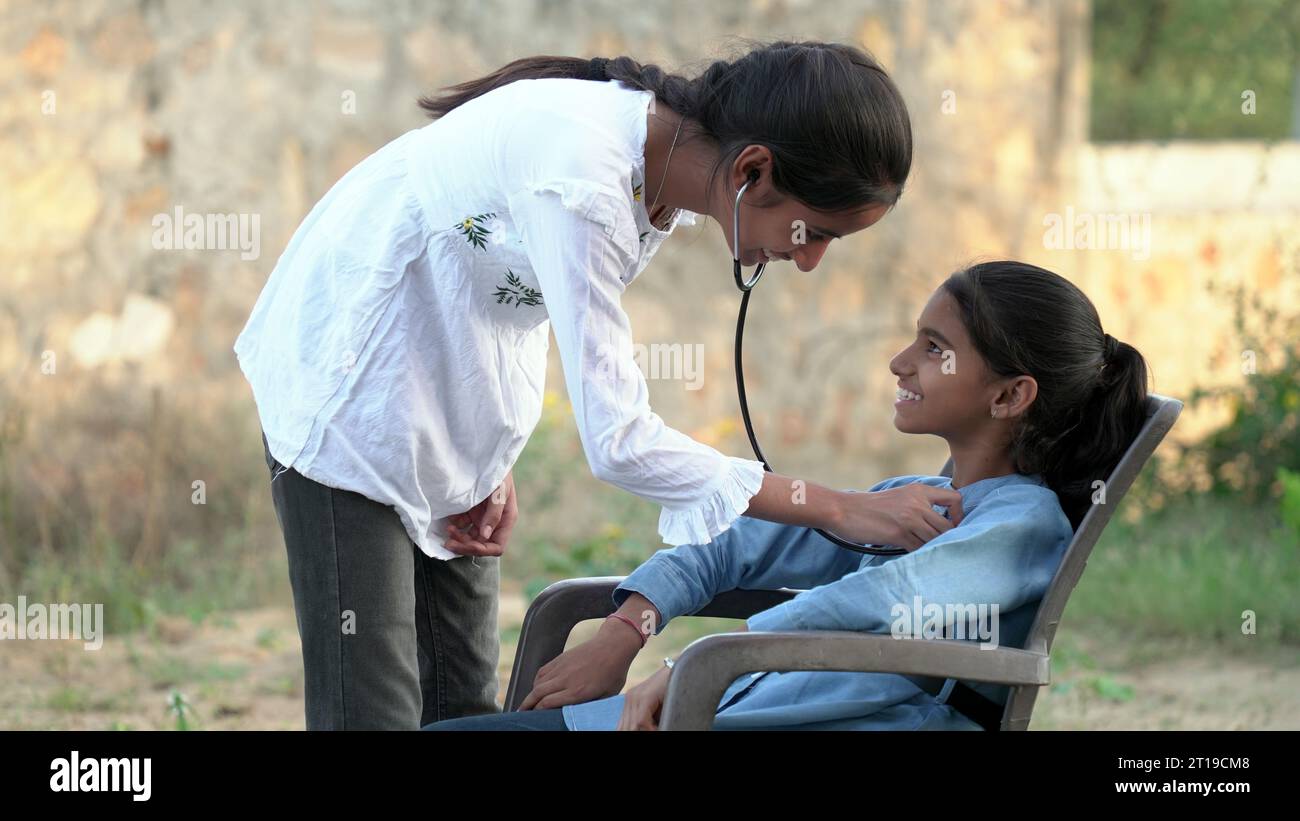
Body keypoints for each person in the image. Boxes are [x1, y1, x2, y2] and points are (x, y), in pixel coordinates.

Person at [235, 40, 946, 730]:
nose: (811, 259)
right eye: (812, 230)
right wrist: (839, 508)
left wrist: (484, 442)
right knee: (375, 710)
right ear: (752, 172)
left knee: (464, 705)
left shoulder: (653, 168)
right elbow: (619, 443)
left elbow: (516, 291)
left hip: (442, 396)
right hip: (350, 377)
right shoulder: (584, 174)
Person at [422, 260, 1152, 730]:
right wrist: (628, 629)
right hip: (716, 708)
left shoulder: (1022, 525)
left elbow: (882, 602)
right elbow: (735, 542)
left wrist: (686, 670)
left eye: (934, 347)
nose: (901, 362)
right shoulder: (916, 501)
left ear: (1010, 394)